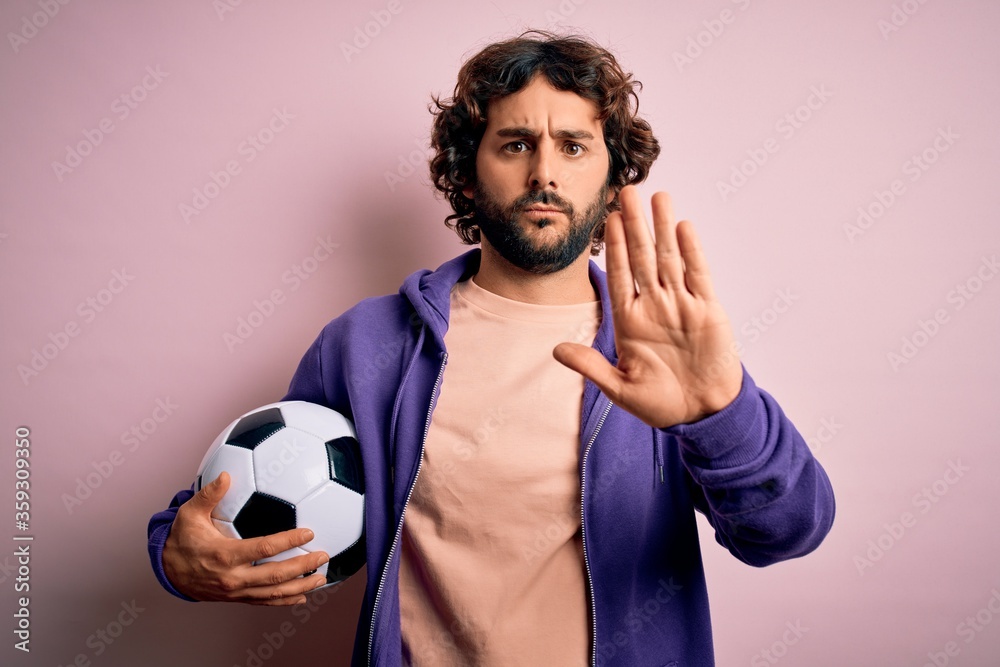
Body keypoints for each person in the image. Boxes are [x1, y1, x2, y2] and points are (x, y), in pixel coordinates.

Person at [148, 30, 835, 666]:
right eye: (514, 144)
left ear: (611, 180)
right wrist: (174, 554)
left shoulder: (658, 350)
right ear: (468, 175)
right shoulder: (367, 345)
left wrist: (720, 411)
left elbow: (788, 529)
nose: (544, 172)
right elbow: (230, 499)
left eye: (573, 146)